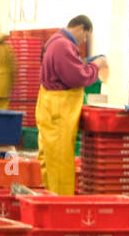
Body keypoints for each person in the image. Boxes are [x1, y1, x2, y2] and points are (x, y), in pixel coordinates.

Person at [36, 14, 107, 195]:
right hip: (58, 110)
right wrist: (96, 66)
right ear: (81, 27)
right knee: (60, 161)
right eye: (86, 36)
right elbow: (76, 77)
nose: (84, 41)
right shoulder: (63, 45)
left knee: (51, 159)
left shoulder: (55, 41)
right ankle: (61, 205)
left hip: (50, 107)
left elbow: (67, 69)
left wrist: (85, 63)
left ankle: (50, 197)